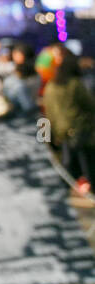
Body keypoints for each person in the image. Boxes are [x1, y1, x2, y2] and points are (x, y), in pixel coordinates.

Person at [41, 55, 95, 195]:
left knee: (69, 165)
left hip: (63, 134)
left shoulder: (50, 87)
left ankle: (73, 190)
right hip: (82, 131)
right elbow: (90, 106)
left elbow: (48, 114)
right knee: (88, 165)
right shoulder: (75, 84)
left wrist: (48, 137)